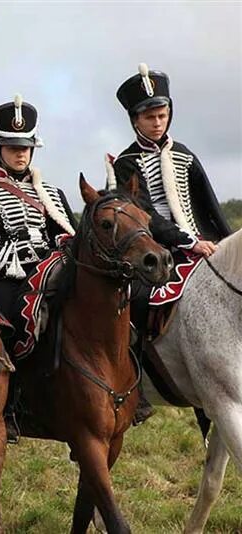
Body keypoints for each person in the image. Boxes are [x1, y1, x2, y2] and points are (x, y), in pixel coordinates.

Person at [109, 63, 232, 424]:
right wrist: (187, 243)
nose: (157, 122)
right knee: (132, 305)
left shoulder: (186, 156)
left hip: (204, 247)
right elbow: (146, 215)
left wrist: (224, 245)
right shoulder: (127, 164)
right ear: (135, 120)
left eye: (162, 114)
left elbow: (208, 204)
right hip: (156, 252)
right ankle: (137, 382)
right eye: (149, 117)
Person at [0, 95, 77, 442]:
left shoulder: (51, 192)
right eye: (12, 147)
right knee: (11, 319)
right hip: (5, 273)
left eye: (26, 147)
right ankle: (10, 403)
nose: (21, 153)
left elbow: (67, 234)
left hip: (50, 270)